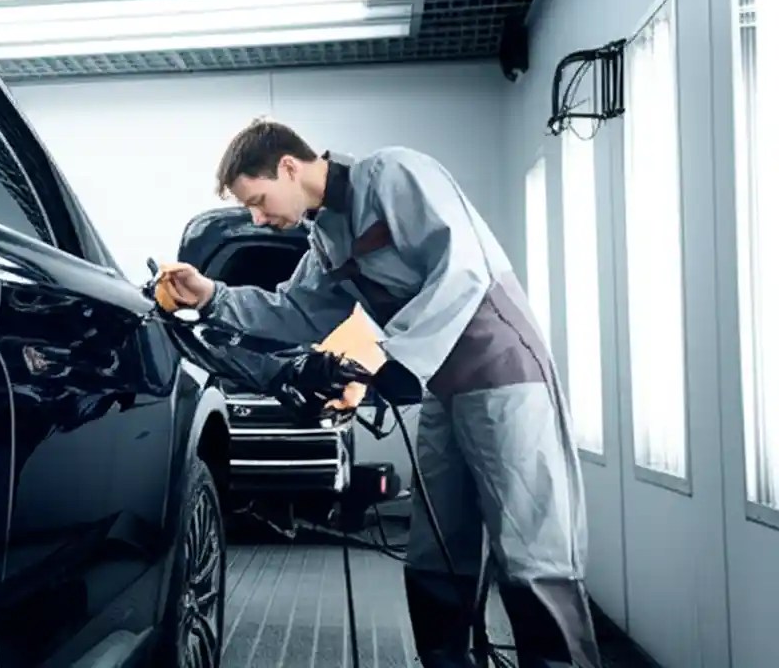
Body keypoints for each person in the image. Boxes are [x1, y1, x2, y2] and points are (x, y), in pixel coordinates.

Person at [159, 118, 602, 668]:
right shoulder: (325, 238)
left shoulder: (394, 174)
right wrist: (212, 296)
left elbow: (461, 271)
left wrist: (386, 362)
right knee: (437, 549)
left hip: (503, 373)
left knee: (533, 553)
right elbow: (295, 312)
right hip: (444, 388)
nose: (257, 217)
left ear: (289, 167)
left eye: (258, 199)